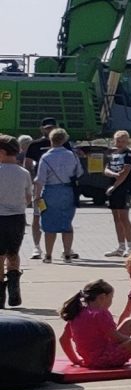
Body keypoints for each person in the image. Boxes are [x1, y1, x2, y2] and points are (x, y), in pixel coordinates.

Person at [34, 128, 80, 263]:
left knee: (49, 224)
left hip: (50, 191)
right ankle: (67, 254)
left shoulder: (46, 157)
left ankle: (48, 255)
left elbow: (40, 179)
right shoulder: (72, 155)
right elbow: (79, 172)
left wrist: (37, 196)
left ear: (50, 139)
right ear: (65, 139)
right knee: (67, 223)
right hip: (67, 191)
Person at [102, 130, 131, 258]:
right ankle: (120, 246)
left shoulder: (129, 154)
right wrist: (112, 175)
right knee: (116, 218)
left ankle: (130, 247)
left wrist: (114, 186)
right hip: (112, 189)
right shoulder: (112, 154)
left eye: (123, 141)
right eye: (118, 141)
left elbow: (125, 172)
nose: (120, 143)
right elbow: (107, 169)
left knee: (124, 217)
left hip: (124, 189)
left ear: (127, 141)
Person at [0, 137, 28, 306]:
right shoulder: (23, 173)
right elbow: (28, 197)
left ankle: (0, 296)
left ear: (2, 152)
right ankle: (14, 292)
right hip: (17, 217)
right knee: (13, 253)